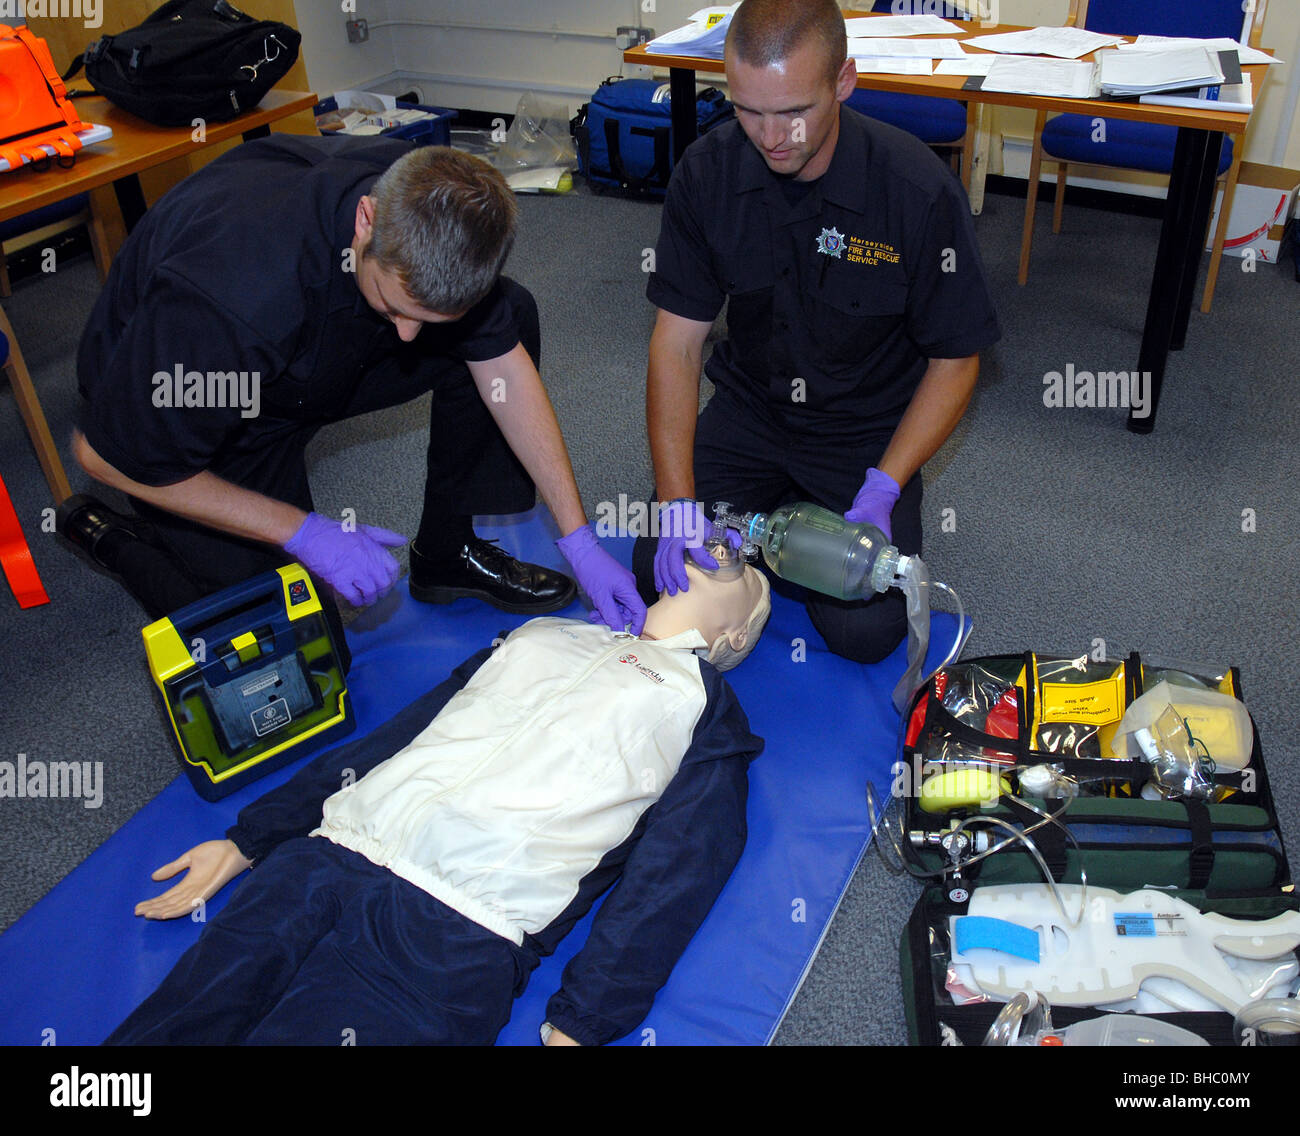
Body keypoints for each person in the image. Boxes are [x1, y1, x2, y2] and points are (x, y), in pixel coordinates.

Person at [104, 545, 770, 1047]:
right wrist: (251, 839)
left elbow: (681, 869)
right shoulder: (547, 633)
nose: (722, 546)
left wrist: (585, 1019)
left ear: (736, 637)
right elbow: (400, 734)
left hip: (452, 928)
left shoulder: (703, 707)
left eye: (745, 571)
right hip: (324, 858)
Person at [60, 134, 644, 670]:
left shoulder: (424, 204)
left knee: (510, 315)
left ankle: (446, 551)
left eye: (429, 318)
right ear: (365, 221)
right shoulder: (236, 297)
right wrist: (303, 533)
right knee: (301, 663)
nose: (410, 339)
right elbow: (103, 456)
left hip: (308, 352)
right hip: (202, 398)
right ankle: (118, 538)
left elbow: (500, 365)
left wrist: (578, 538)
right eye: (396, 308)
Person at [633, 0, 1000, 663]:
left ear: (844, 81)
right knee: (650, 563)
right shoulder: (707, 174)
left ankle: (773, 542)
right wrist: (680, 501)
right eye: (748, 109)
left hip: (862, 430)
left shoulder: (916, 189)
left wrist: (885, 486)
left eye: (794, 112)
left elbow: (957, 360)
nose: (772, 136)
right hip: (751, 411)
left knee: (866, 633)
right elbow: (677, 343)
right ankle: (769, 540)